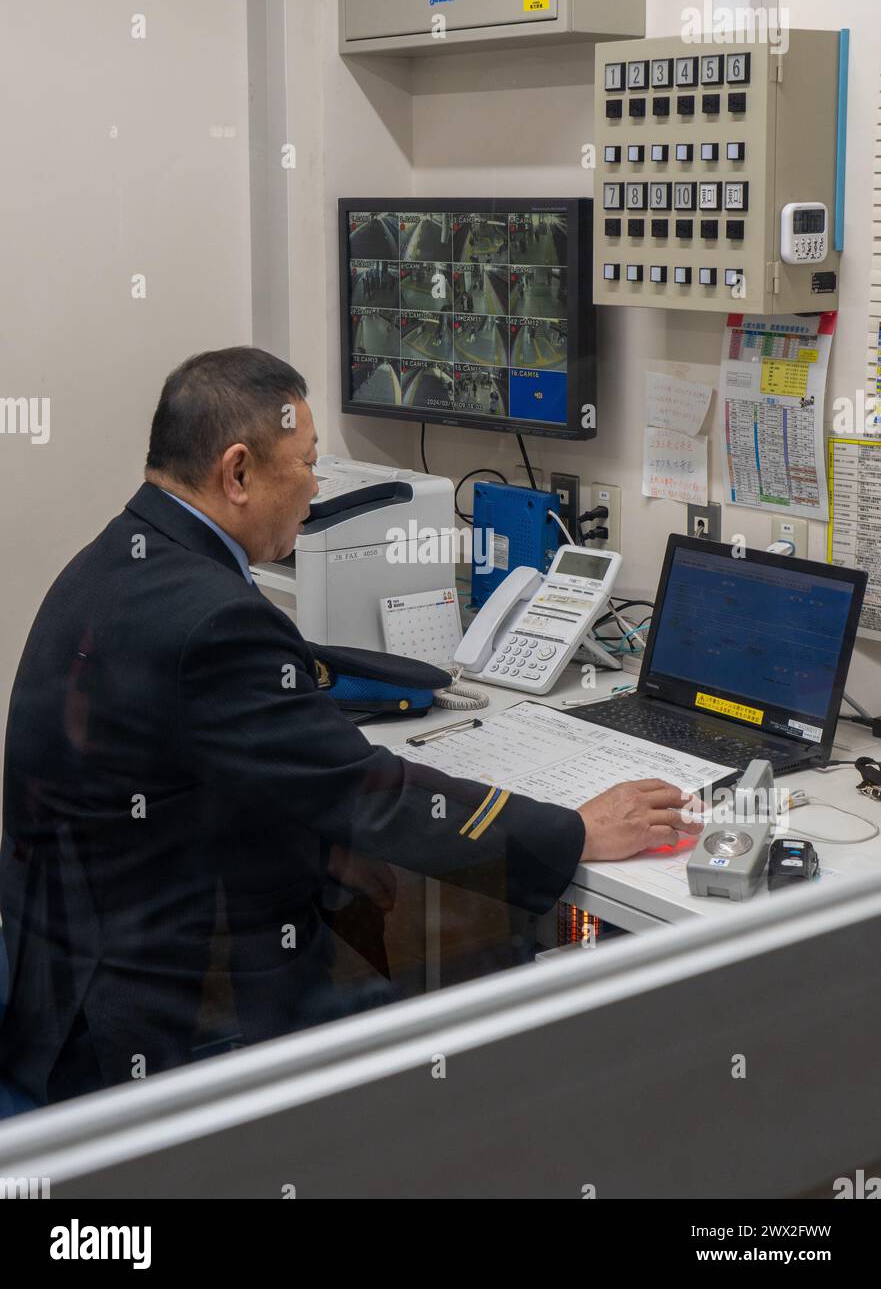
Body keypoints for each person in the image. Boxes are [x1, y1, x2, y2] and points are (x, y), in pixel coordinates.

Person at [0, 347, 698, 1105]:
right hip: (145, 1012)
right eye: (305, 463)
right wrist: (572, 832)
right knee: (459, 992)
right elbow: (375, 794)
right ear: (236, 473)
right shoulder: (213, 618)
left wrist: (324, 842)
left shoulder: (121, 555)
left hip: (66, 974)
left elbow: (199, 768)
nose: (315, 486)